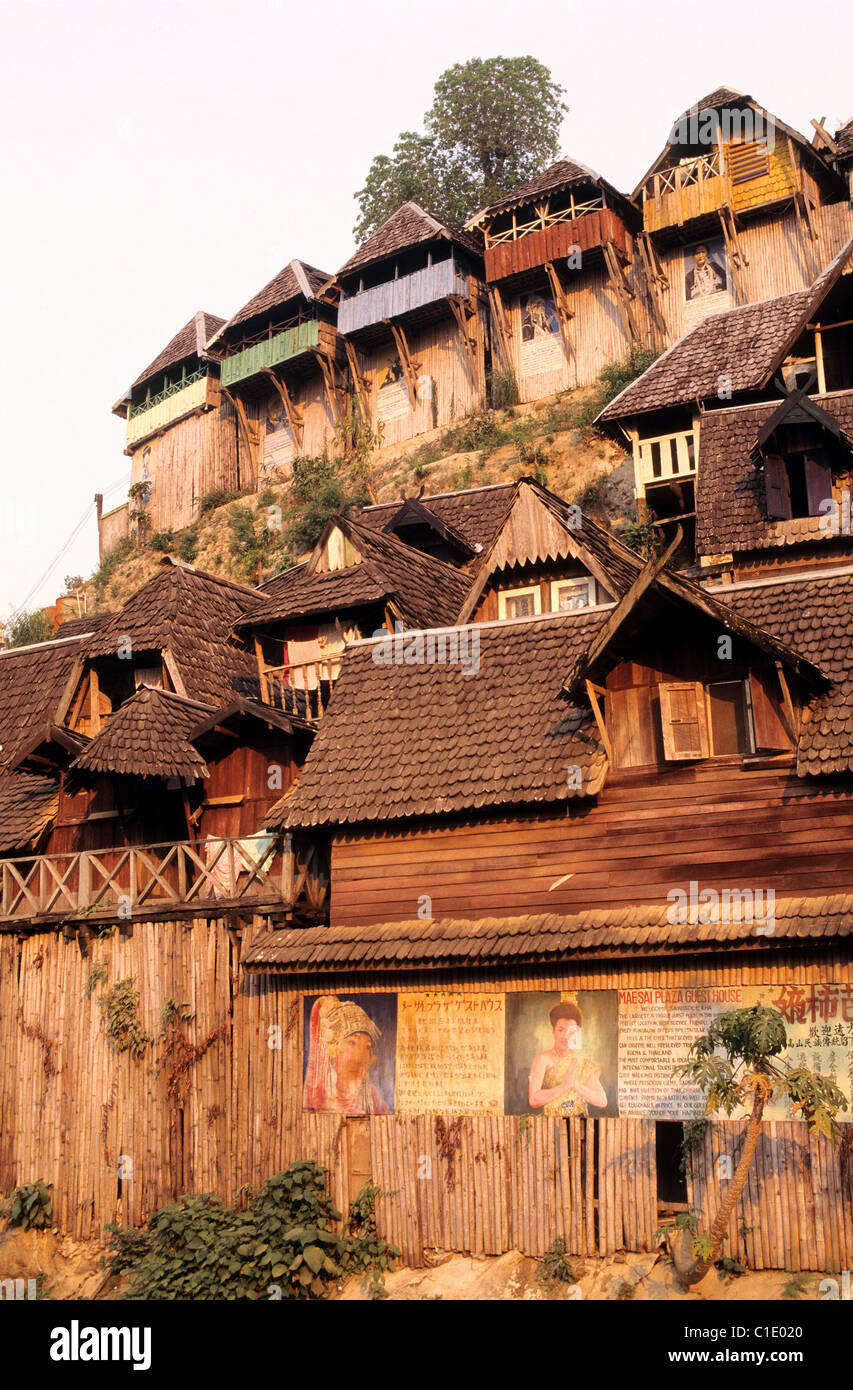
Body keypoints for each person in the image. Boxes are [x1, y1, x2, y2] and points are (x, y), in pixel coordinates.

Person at [303, 995, 391, 1114]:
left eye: (367, 1047)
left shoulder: (372, 1095)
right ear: (332, 1050)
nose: (359, 1058)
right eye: (352, 1043)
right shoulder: (320, 1098)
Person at [528, 1002, 607, 1116]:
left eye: (571, 1032)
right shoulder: (542, 1059)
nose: (565, 1036)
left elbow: (602, 1100)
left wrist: (575, 1085)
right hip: (550, 1123)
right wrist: (564, 1086)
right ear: (553, 1031)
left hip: (579, 1120)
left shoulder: (581, 1060)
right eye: (561, 1030)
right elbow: (533, 1100)